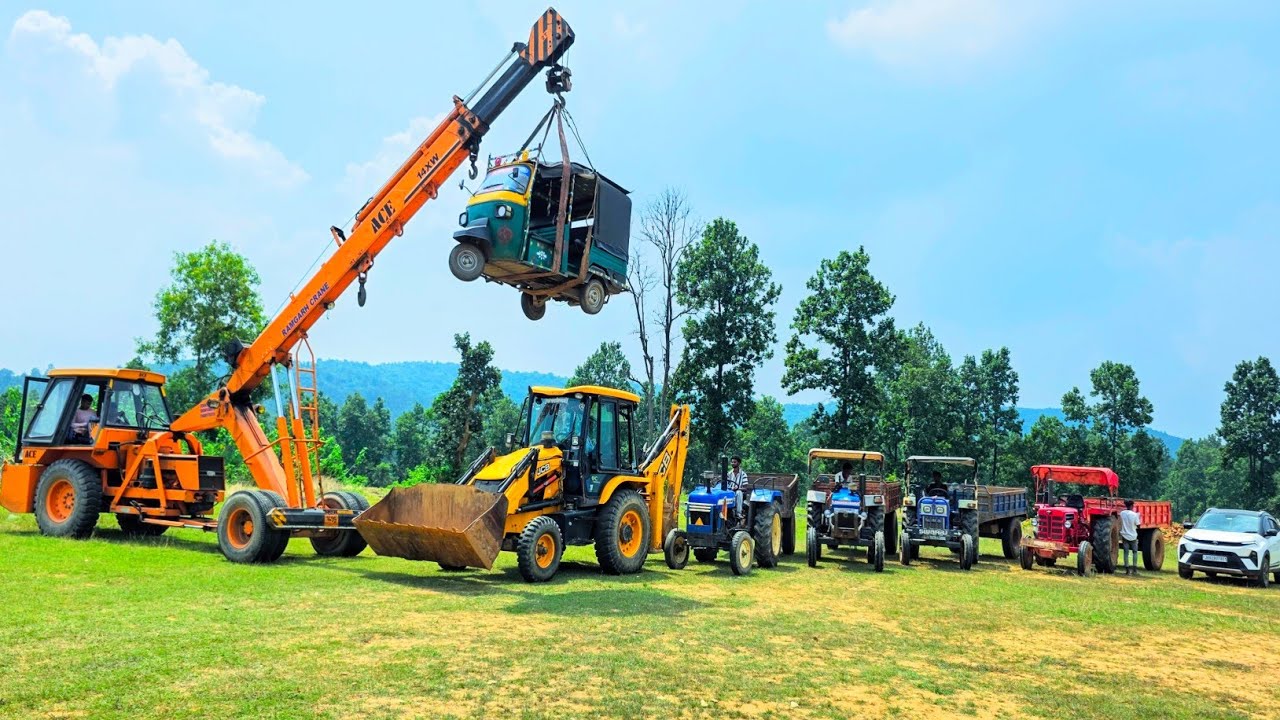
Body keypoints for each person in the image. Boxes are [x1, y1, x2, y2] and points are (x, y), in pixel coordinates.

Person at [1119, 499, 1142, 576]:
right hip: (1133, 536)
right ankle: (1134, 570)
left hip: (1124, 535)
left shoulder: (1122, 513)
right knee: (1135, 552)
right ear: (1132, 506)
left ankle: (1127, 570)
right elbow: (1138, 526)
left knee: (1126, 552)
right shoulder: (1134, 515)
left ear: (1126, 505)